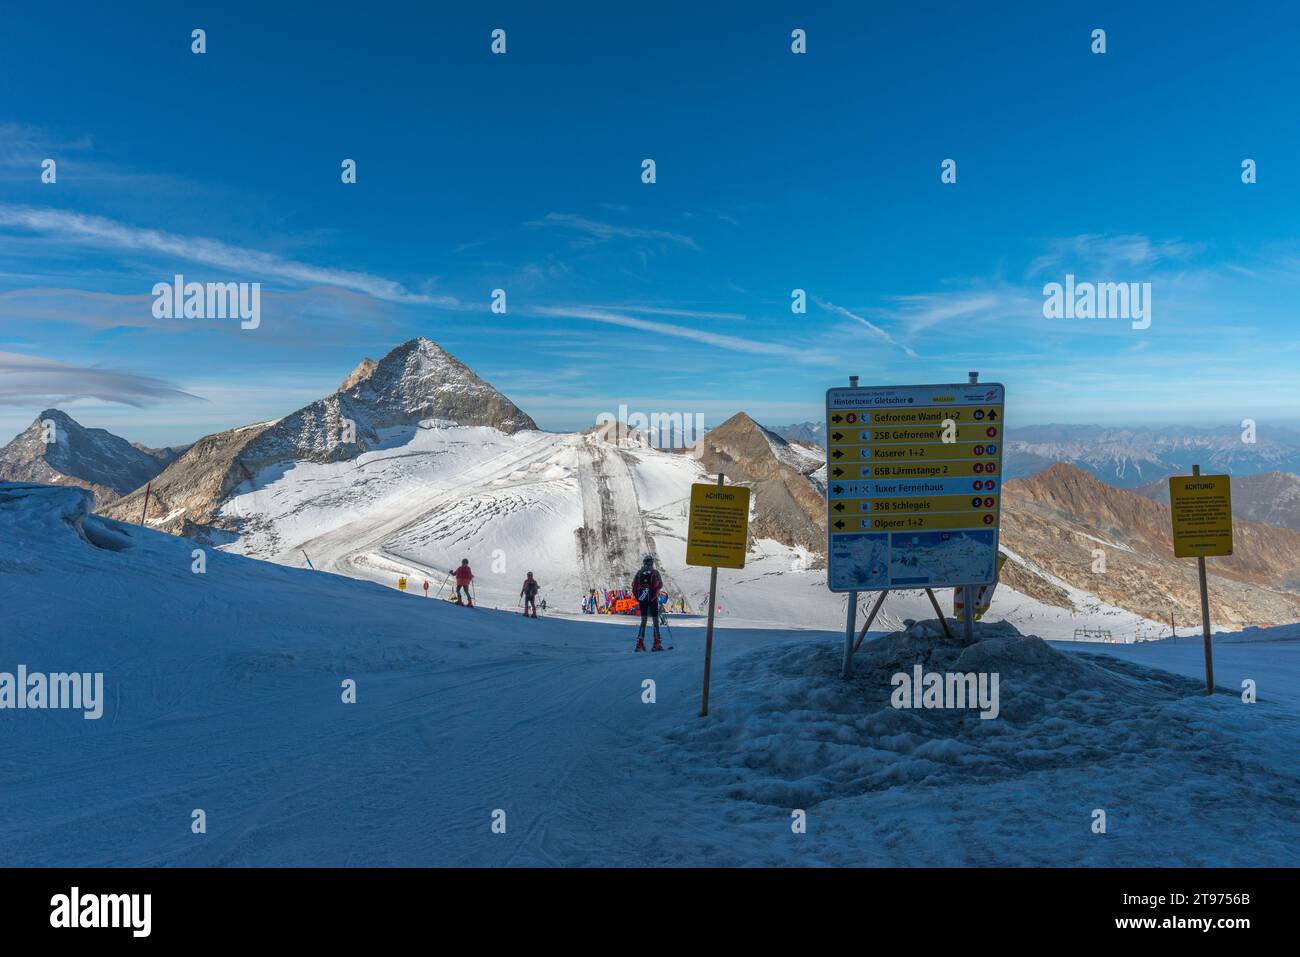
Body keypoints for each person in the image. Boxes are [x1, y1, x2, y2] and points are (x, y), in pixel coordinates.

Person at [631, 554, 664, 652]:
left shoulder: (639, 572)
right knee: (655, 621)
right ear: (651, 562)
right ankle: (656, 643)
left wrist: (639, 598)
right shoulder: (655, 572)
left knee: (643, 621)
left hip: (642, 600)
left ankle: (640, 643)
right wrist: (654, 594)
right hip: (653, 599)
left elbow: (633, 586)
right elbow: (660, 585)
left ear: (644, 562)